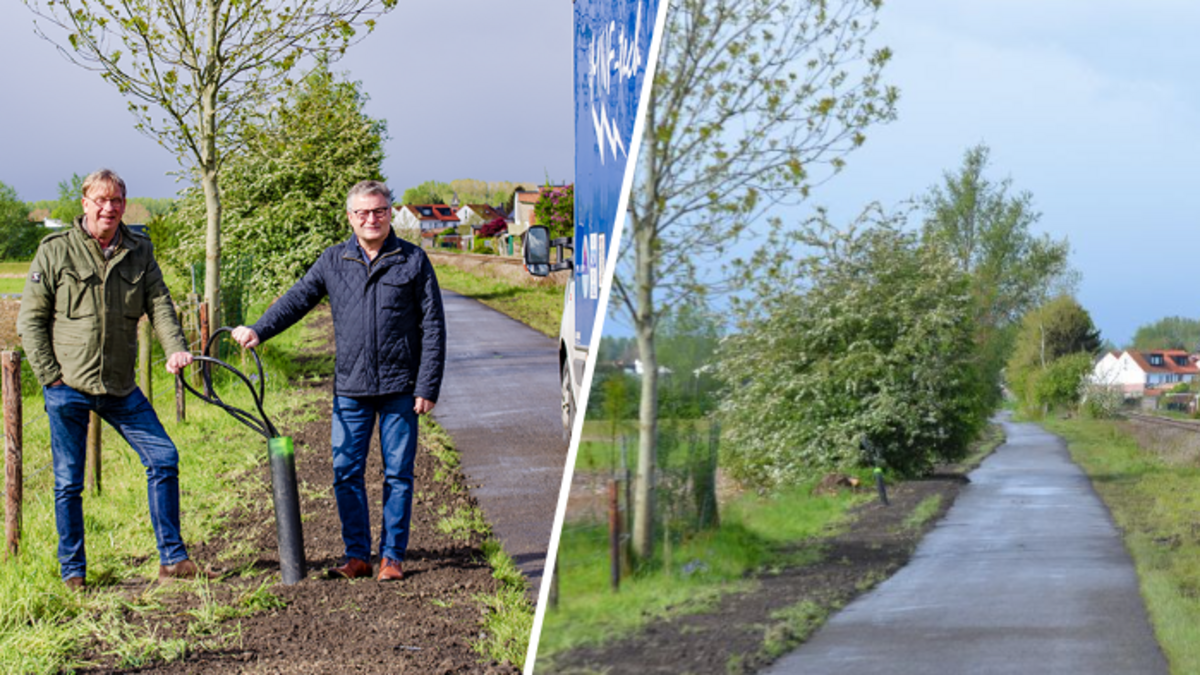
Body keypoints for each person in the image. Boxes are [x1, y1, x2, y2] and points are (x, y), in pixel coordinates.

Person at [232, 179, 446, 582]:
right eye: (362, 213)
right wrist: (259, 330)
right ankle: (357, 555)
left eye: (379, 211)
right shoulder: (333, 261)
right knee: (346, 472)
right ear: (349, 217)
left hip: (401, 387)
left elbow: (433, 325)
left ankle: (392, 557)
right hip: (351, 388)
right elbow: (297, 299)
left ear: (390, 213)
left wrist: (427, 385)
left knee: (398, 474)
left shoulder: (413, 261)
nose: (371, 219)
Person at [17, 168, 214, 590]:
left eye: (117, 201)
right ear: (85, 203)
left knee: (163, 459)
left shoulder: (139, 250)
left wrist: (175, 347)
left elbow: (160, 304)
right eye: (101, 200)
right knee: (69, 483)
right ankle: (73, 572)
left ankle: (173, 560)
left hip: (121, 386)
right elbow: (30, 321)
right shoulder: (56, 251)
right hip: (67, 384)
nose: (110, 208)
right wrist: (50, 378)